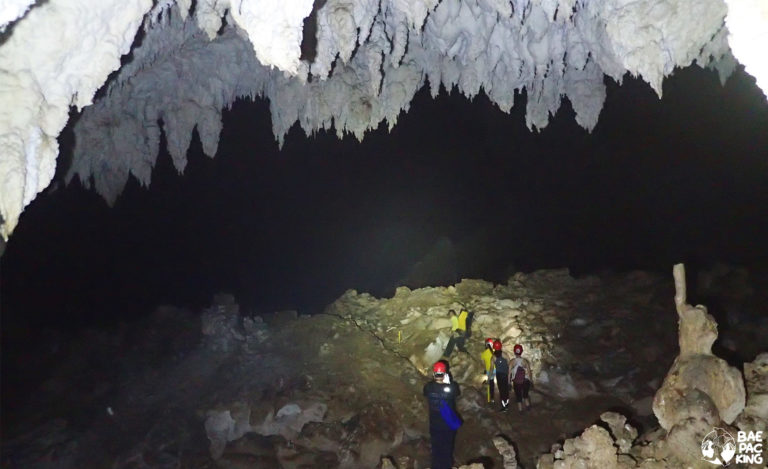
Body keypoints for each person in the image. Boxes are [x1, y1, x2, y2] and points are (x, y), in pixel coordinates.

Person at [423, 361, 461, 469]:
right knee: (447, 448)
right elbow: (456, 393)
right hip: (447, 423)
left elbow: (426, 393)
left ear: (434, 373)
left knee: (436, 448)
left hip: (434, 423)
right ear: (445, 373)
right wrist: (447, 383)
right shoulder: (452, 387)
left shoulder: (428, 387)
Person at [510, 344, 533, 412]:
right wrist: (531, 381)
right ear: (521, 352)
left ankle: (520, 410)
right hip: (525, 381)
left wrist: (509, 382)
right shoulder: (525, 361)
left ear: (514, 352)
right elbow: (529, 373)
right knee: (525, 395)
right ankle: (528, 407)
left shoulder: (512, 361)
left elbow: (509, 373)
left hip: (517, 382)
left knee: (518, 396)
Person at [492, 339, 512, 411]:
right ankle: (507, 403)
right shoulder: (505, 355)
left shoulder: (493, 357)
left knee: (501, 390)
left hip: (499, 375)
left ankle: (504, 407)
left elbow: (491, 368)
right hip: (506, 374)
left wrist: (489, 378)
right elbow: (510, 364)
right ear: (500, 347)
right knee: (506, 389)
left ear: (494, 347)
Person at [481, 337, 495, 403]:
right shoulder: (494, 351)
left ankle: (490, 399)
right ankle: (492, 398)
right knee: (493, 383)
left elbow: (483, 363)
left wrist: (484, 370)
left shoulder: (484, 353)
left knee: (490, 383)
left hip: (489, 370)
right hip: (495, 369)